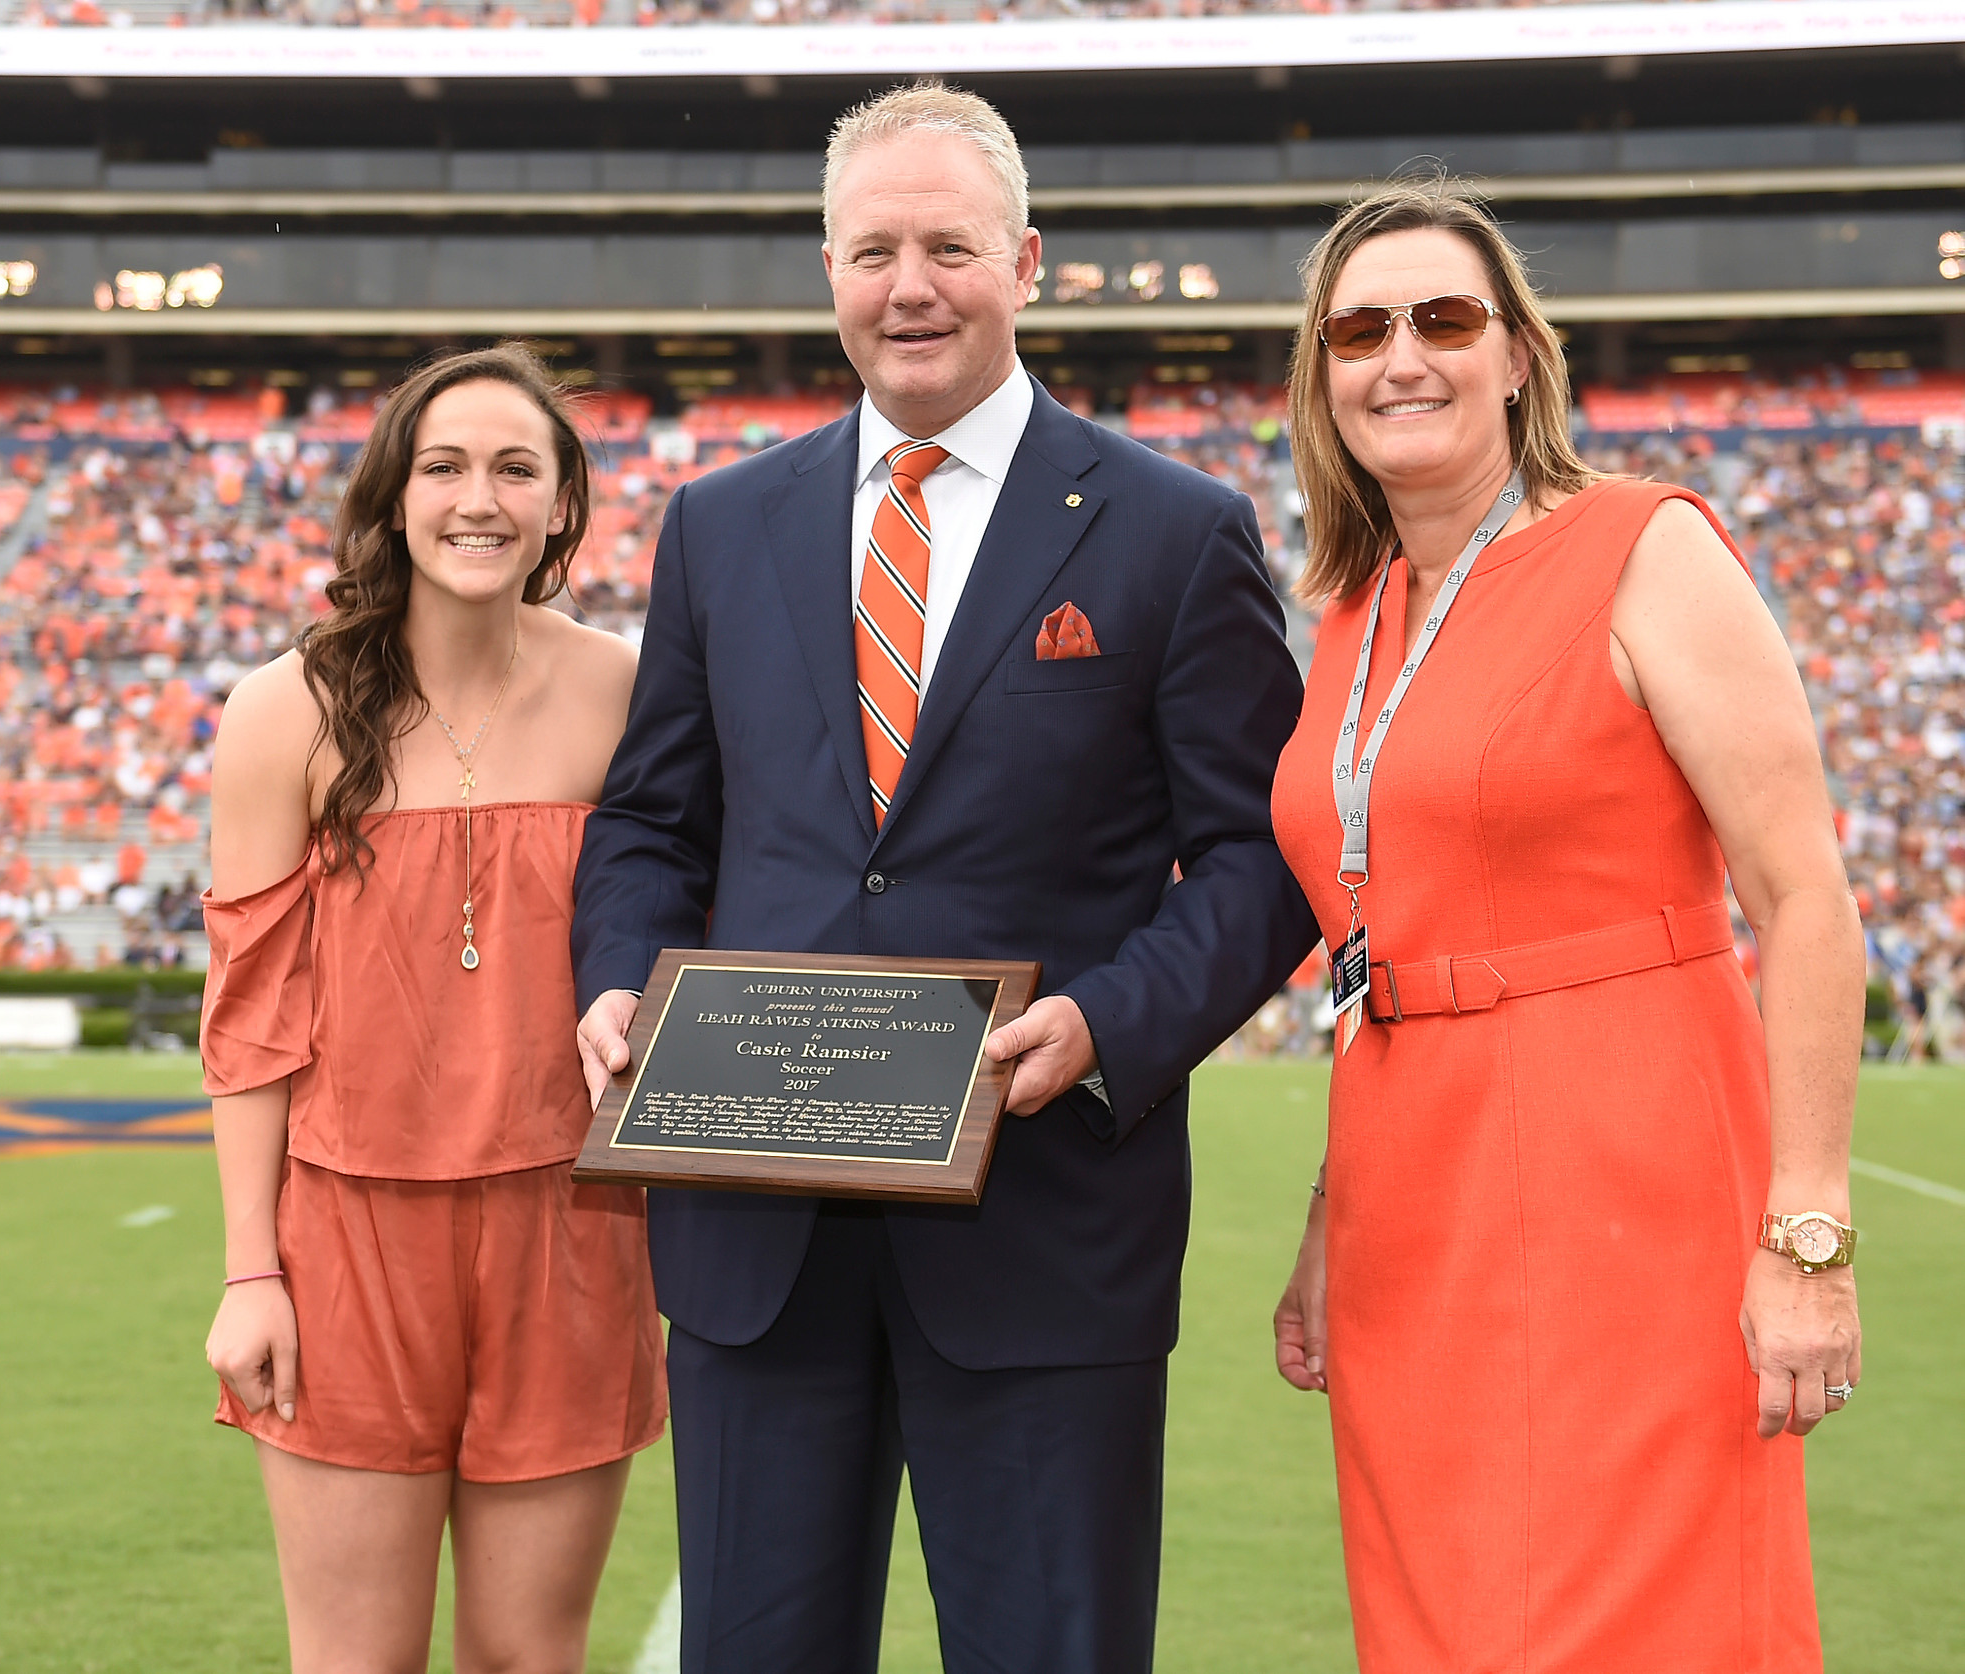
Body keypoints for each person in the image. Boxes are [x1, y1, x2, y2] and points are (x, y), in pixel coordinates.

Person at [572, 83, 1317, 1674]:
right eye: (873, 250)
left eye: (950, 247)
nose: (909, 286)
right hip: (758, 1233)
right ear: (827, 272)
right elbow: (649, 823)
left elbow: (1266, 858)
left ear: (1027, 259)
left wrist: (1108, 1027)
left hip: (1045, 1229)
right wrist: (620, 977)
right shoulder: (718, 525)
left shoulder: (1176, 533)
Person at [1268, 178, 1864, 1673]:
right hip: (1413, 1200)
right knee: (1441, 1623)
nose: (1400, 357)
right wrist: (1328, 1221)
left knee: (1634, 1622)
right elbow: (1369, 920)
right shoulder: (1352, 608)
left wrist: (1807, 1233)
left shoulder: (1645, 547)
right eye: (1359, 329)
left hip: (1627, 1169)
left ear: (1518, 353)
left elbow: (1803, 897)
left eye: (1444, 317)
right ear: (1321, 372)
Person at [201, 343, 665, 1674]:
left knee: (531, 1653)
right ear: (394, 496)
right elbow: (249, 1020)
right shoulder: (281, 712)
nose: (480, 497)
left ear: (563, 503)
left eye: (517, 467)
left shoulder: (623, 695)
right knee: (357, 1659)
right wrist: (250, 1268)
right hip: (346, 1240)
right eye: (444, 464)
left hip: (573, 1232)